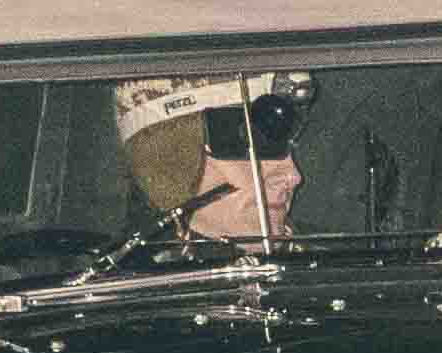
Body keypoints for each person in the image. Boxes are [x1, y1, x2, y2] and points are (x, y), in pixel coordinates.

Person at [113, 73, 307, 241]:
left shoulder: (326, 267)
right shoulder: (108, 283)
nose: (293, 176)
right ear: (169, 159)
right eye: (255, 143)